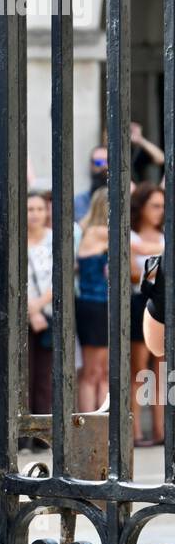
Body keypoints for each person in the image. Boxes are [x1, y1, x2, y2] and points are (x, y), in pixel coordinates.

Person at [130, 182, 165, 447]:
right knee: (139, 371)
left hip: (165, 304)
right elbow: (132, 274)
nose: (159, 211)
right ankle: (135, 434)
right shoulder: (130, 236)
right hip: (140, 302)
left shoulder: (166, 234)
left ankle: (162, 430)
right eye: (154, 205)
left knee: (163, 370)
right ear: (140, 206)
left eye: (163, 206)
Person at [75, 186, 110, 412]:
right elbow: (138, 245)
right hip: (93, 305)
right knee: (92, 371)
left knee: (104, 370)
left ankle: (104, 424)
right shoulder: (98, 231)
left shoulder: (88, 228)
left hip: (103, 305)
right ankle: (89, 423)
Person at [27, 190, 54, 414]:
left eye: (39, 209)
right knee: (22, 375)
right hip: (20, 316)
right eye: (29, 209)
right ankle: (22, 435)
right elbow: (8, 276)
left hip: (50, 315)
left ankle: (42, 433)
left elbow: (62, 277)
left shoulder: (55, 239)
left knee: (46, 376)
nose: (35, 214)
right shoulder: (14, 239)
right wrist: (30, 311)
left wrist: (39, 306)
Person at [74, 145, 108, 223]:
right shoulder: (80, 200)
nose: (104, 166)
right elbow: (79, 230)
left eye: (108, 161)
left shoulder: (125, 196)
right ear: (91, 166)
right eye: (99, 162)